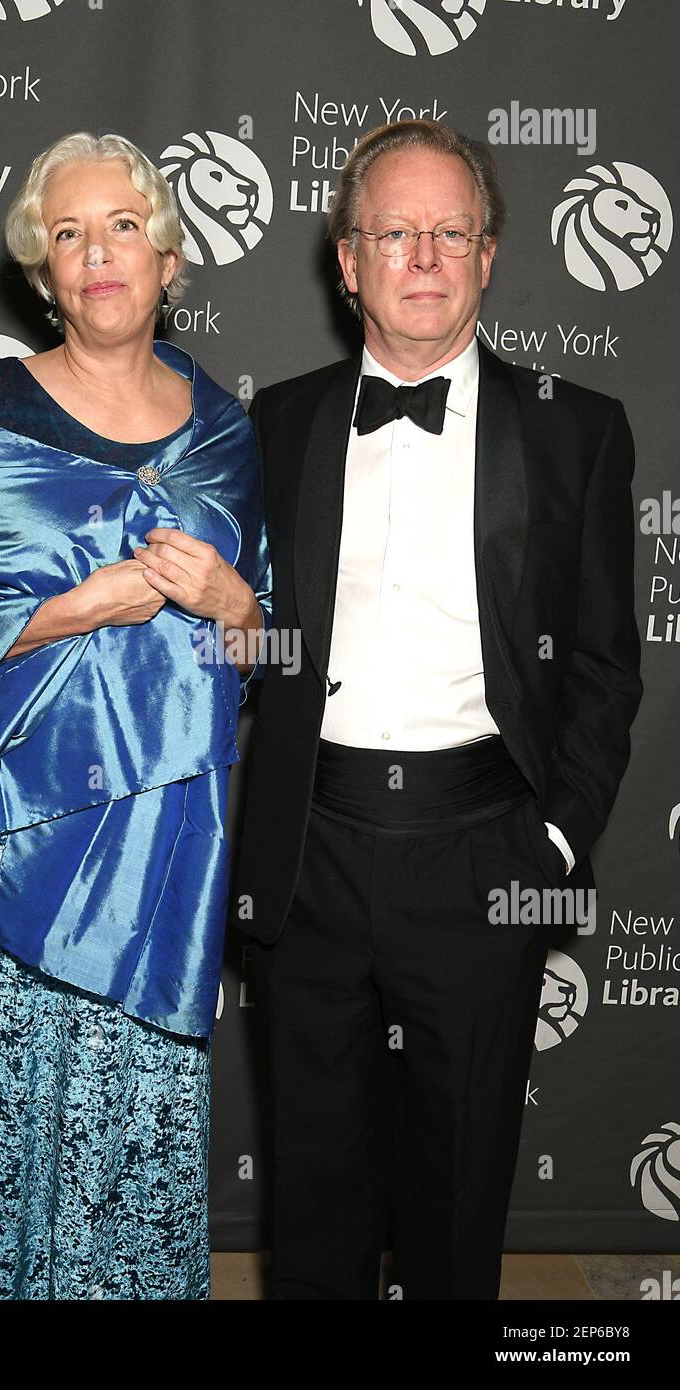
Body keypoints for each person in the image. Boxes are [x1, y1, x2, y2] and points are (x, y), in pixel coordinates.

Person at [0, 131, 271, 1301]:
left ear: (169, 260)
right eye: (69, 234)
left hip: (153, 849)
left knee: (117, 1141)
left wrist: (230, 597)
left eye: (123, 227)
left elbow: (264, 642)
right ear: (41, 271)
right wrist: (83, 603)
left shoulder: (227, 434)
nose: (98, 255)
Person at [231, 118, 642, 1300]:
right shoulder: (275, 424)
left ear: (489, 252)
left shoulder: (576, 428)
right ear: (347, 260)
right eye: (393, 233)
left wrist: (552, 837)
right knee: (311, 1213)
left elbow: (604, 667)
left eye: (450, 231)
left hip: (483, 853)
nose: (423, 256)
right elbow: (237, 639)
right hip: (308, 856)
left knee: (456, 1213)